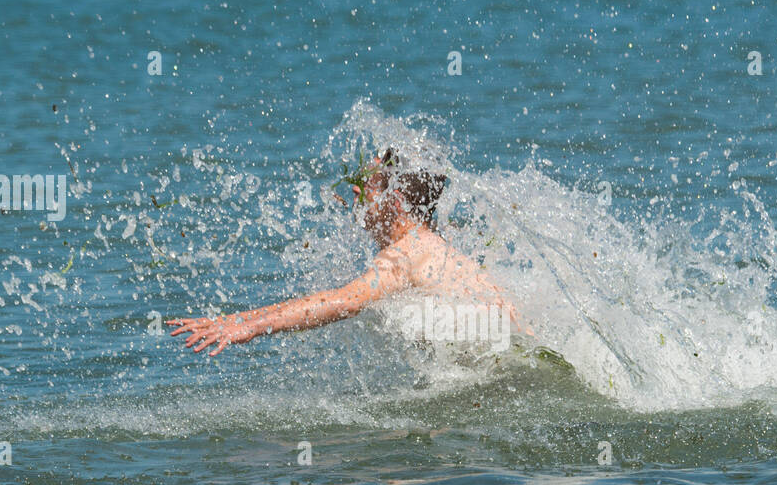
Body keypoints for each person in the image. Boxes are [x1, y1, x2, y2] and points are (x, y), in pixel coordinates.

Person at [169, 150, 525, 356]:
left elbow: (344, 300)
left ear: (394, 200)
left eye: (366, 185)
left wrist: (247, 327)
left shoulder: (409, 252)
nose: (355, 192)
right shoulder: (436, 246)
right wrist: (237, 319)